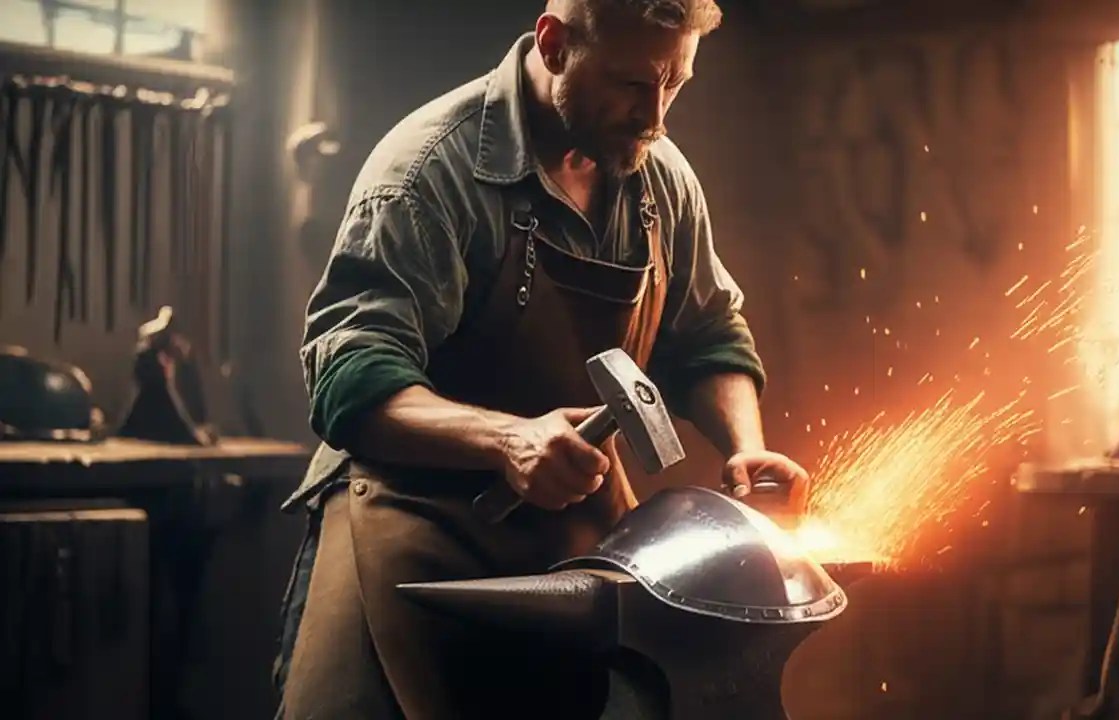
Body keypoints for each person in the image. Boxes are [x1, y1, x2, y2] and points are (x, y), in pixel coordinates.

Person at [274, 1, 811, 717]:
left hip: (576, 534)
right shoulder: (428, 171)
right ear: (555, 44)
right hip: (411, 530)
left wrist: (746, 449)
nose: (654, 114)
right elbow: (351, 378)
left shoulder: (661, 181)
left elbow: (709, 335)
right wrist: (509, 439)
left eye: (674, 83)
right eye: (630, 84)